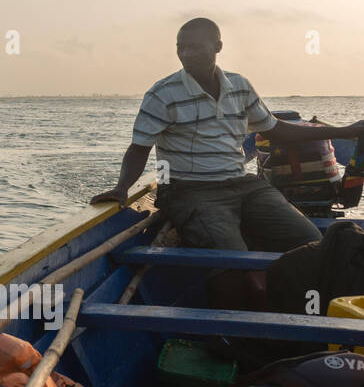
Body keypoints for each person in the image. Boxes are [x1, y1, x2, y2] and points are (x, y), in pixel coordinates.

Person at [90, 18, 364, 253]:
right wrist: (122, 188)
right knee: (231, 255)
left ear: (218, 47)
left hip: (242, 185)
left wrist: (347, 131)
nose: (186, 53)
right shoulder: (162, 94)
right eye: (180, 47)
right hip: (189, 189)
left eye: (195, 47)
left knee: (311, 241)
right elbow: (139, 148)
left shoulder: (239, 86)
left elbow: (275, 129)